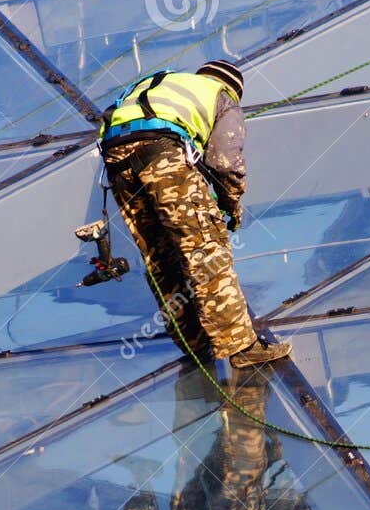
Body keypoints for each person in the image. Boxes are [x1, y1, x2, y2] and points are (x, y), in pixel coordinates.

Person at [98, 60, 290, 368]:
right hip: (161, 153)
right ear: (233, 89)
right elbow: (224, 162)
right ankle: (242, 347)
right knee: (206, 250)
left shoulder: (163, 81)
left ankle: (194, 343)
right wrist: (230, 205)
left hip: (116, 161)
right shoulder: (222, 97)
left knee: (161, 257)